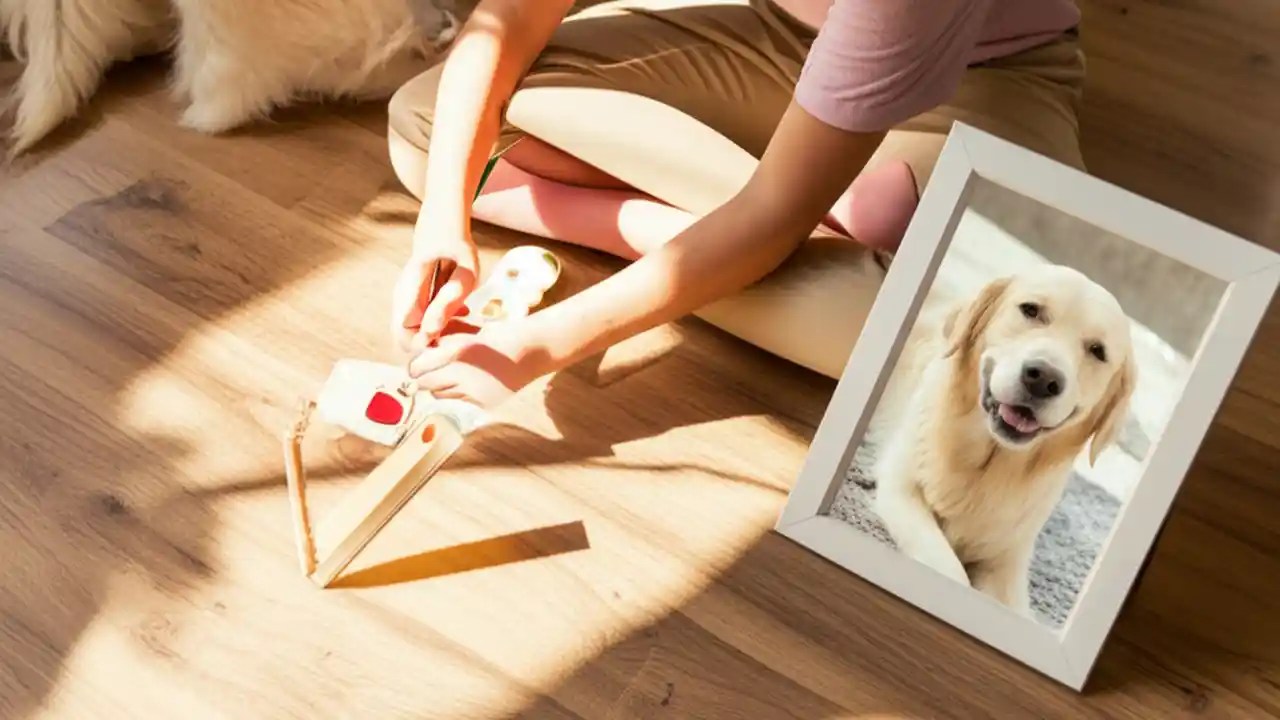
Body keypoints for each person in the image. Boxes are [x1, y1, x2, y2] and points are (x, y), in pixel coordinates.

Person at [386, 0, 1085, 408]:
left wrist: (538, 343)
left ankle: (804, 213)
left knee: (964, 346)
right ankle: (802, 219)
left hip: (979, 78)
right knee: (429, 131)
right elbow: (508, 18)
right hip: (769, 31)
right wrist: (442, 223)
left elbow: (773, 215)